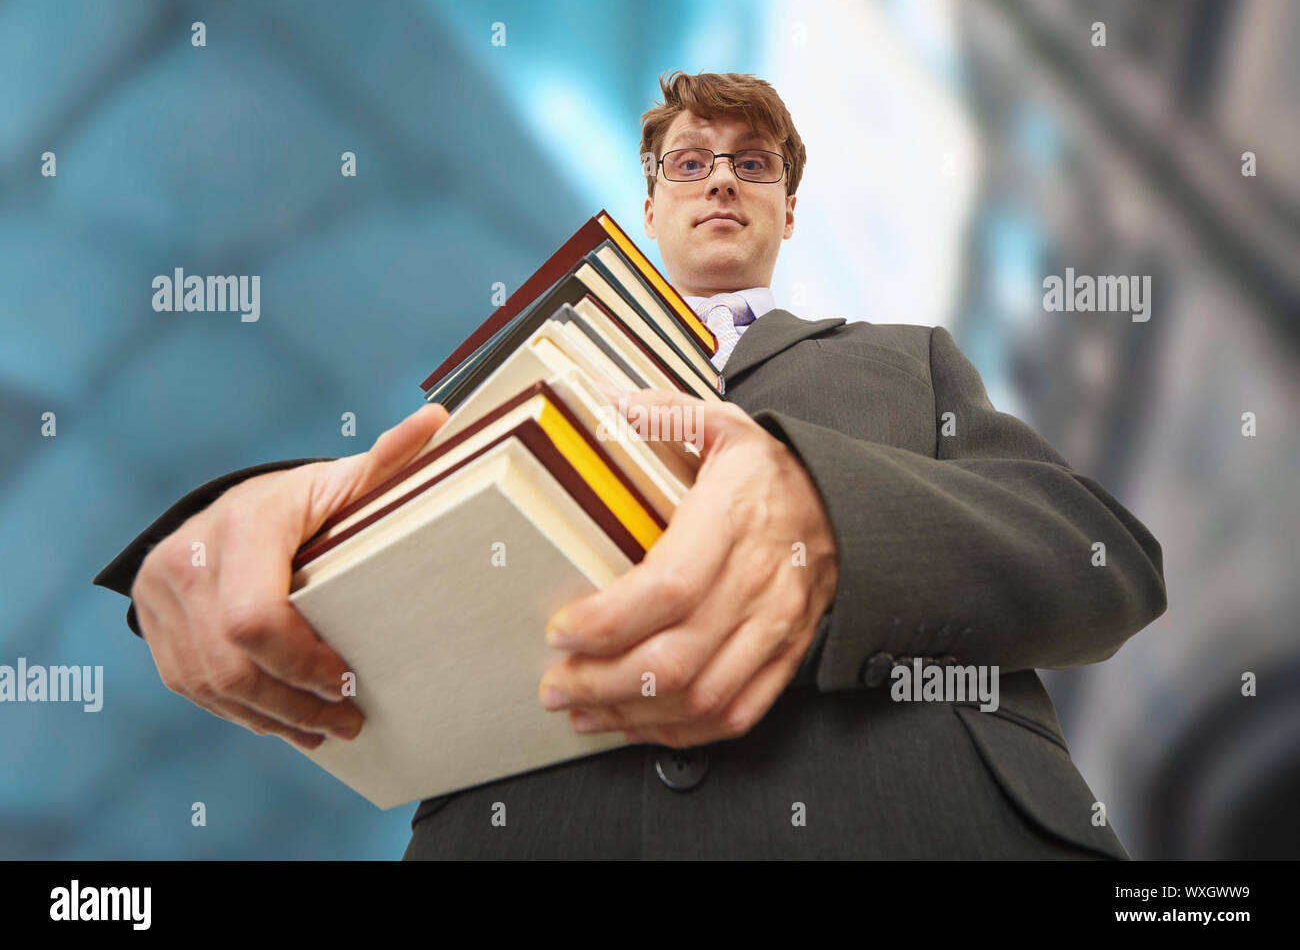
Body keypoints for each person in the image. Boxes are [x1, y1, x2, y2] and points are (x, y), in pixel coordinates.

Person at [94, 70, 1167, 859]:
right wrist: (234, 527)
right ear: (649, 202)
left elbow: (1103, 560)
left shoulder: (904, 358)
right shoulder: (517, 368)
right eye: (689, 164)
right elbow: (399, 524)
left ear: (788, 208)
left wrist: (833, 522)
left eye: (753, 165)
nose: (721, 185)